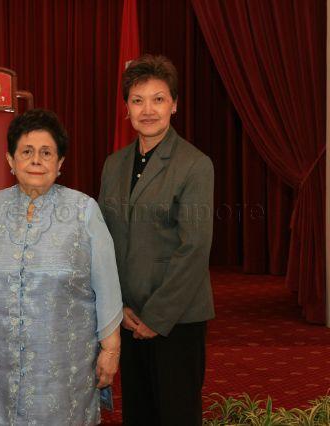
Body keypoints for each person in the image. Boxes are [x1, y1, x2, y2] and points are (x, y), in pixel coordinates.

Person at [0, 109, 123, 425]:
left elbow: (107, 284)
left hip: (62, 372)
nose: (36, 160)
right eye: (26, 152)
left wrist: (110, 349)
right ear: (10, 160)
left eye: (47, 153)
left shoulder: (84, 211)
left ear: (60, 164)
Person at [98, 54, 215, 425]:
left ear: (175, 105)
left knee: (176, 416)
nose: (148, 110)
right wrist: (119, 310)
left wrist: (156, 316)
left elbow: (194, 247)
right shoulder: (113, 164)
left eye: (158, 99)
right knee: (140, 414)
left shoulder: (195, 165)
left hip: (176, 320)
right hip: (129, 319)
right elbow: (105, 242)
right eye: (137, 100)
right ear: (126, 108)